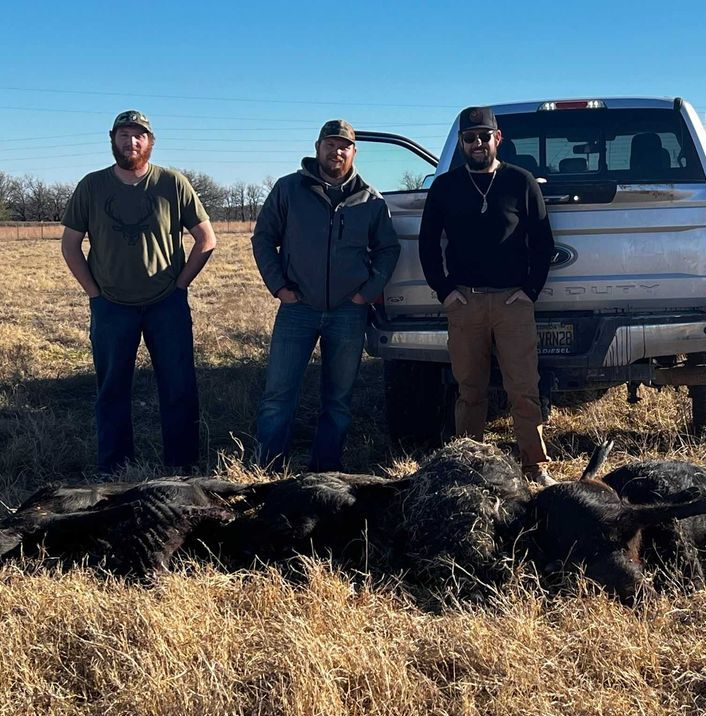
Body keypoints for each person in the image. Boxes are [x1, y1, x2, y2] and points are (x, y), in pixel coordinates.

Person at [61, 110, 217, 474]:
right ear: (112, 139)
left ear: (150, 142)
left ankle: (182, 466)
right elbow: (70, 245)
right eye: (124, 135)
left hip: (167, 304)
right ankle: (115, 468)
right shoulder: (92, 186)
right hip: (112, 307)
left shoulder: (173, 183)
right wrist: (94, 294)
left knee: (179, 387)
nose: (131, 142)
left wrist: (180, 286)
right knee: (112, 389)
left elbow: (206, 238)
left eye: (139, 136)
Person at [252, 119, 400, 472]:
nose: (337, 151)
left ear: (354, 152)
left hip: (348, 313)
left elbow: (388, 249)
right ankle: (267, 470)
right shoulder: (289, 189)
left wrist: (366, 294)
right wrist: (280, 288)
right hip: (297, 308)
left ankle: (325, 472)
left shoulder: (370, 198)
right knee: (278, 396)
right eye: (330, 144)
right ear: (317, 147)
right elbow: (262, 239)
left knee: (338, 400)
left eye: (344, 145)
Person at [418, 106, 556, 485]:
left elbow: (543, 243)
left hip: (513, 302)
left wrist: (530, 291)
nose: (477, 144)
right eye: (470, 138)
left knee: (524, 389)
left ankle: (535, 466)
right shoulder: (445, 187)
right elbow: (428, 244)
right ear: (461, 143)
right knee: (470, 390)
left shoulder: (521, 182)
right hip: (465, 302)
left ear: (498, 139)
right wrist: (445, 291)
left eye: (484, 136)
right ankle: (468, 468)